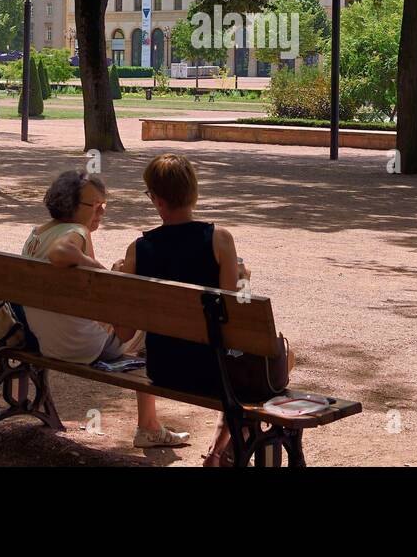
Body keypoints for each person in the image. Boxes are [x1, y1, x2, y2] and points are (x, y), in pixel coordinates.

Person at [121, 153, 291, 466]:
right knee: (279, 358)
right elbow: (231, 321)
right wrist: (245, 281)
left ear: (157, 200)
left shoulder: (138, 250)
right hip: (212, 373)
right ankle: (220, 451)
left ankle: (219, 451)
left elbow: (125, 332)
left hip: (164, 368)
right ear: (193, 194)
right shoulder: (220, 241)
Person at [20, 170, 190, 450]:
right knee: (151, 317)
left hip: (47, 342)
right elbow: (61, 253)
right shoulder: (77, 231)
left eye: (103, 204)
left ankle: (150, 424)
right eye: (94, 205)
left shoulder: (37, 233)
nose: (101, 211)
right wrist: (103, 270)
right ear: (69, 205)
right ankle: (148, 427)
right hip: (85, 346)